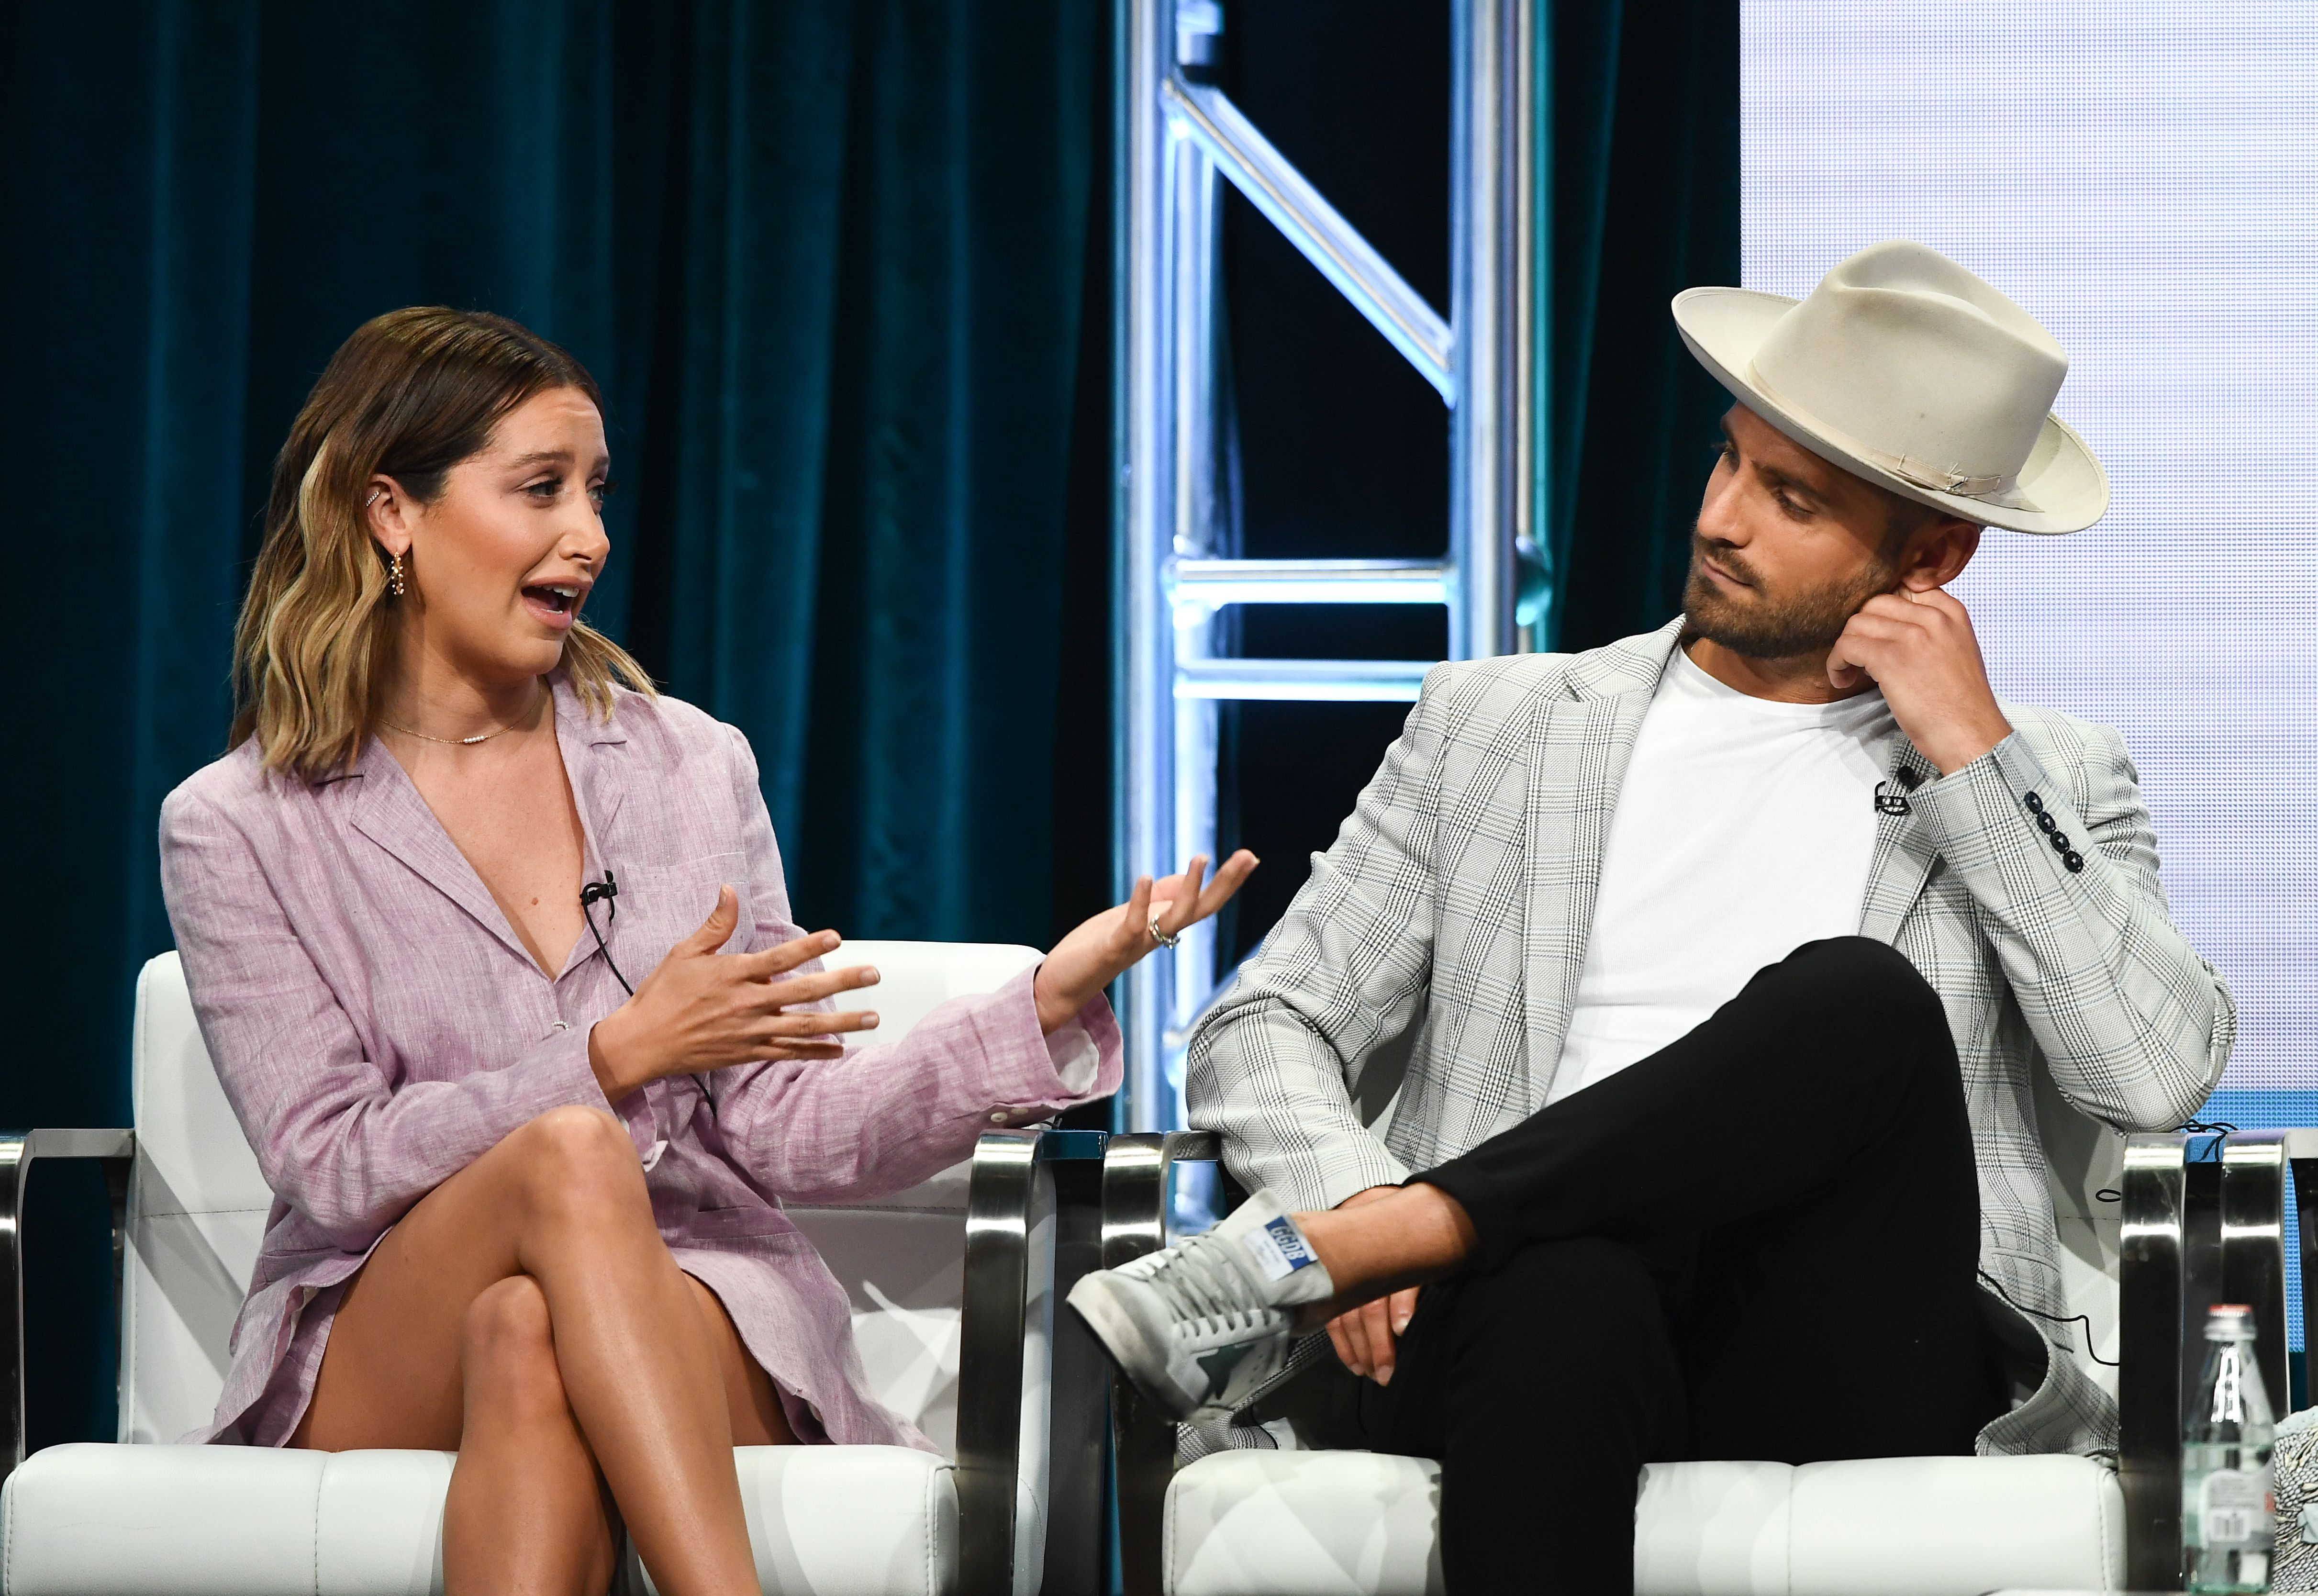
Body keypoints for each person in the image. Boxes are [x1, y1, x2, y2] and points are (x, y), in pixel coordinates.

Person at [1069, 240, 2234, 1594]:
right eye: (1729, 460)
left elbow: (2155, 1075)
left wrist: (1973, 753)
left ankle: (1359, 1247)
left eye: (1791, 499)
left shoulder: (2049, 773)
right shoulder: (1496, 724)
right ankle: (1403, 1229)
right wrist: (1344, 1182)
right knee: (1563, 1281)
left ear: (1933, 555)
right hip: (1516, 1319)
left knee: (1855, 998)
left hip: (1842, 1339)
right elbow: (1267, 1022)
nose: (1723, 519)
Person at [160, 306, 1256, 1596]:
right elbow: (332, 1165)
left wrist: (1043, 1004)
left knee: (529, 1332)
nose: (590, 536)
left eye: (597, 491)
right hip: (379, 1318)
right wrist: (609, 1059)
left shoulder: (687, 764)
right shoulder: (239, 824)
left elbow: (787, 1130)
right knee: (566, 1156)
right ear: (391, 512)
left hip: (689, 1289)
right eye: (541, 489)